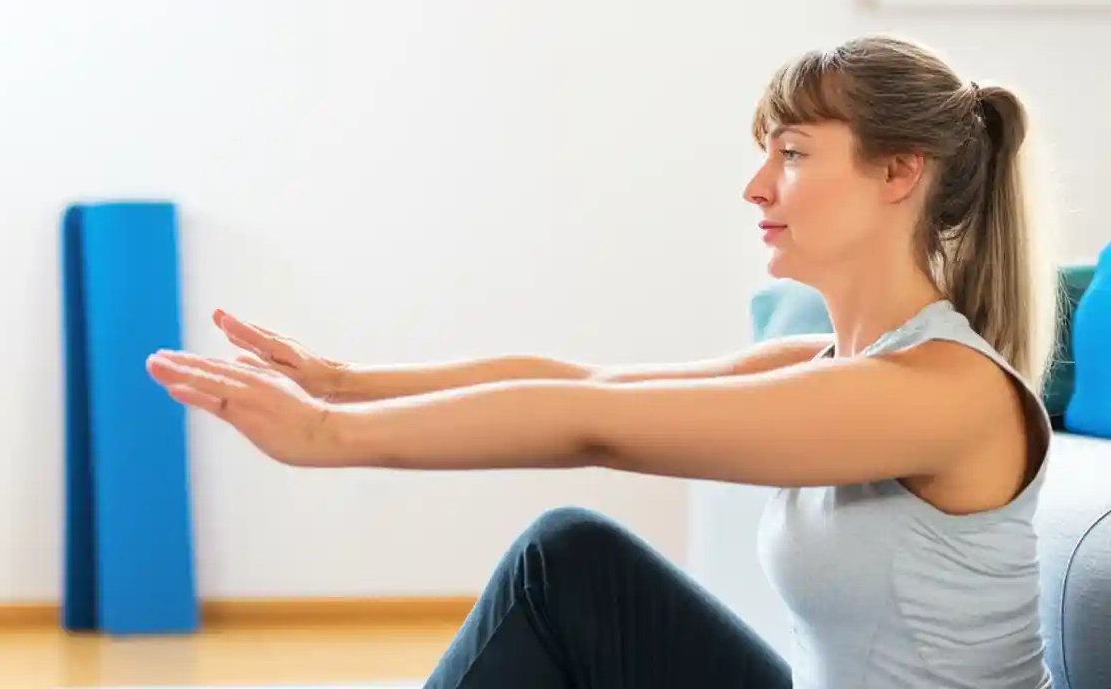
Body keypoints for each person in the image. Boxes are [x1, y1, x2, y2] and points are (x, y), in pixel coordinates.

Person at [146, 34, 1058, 688]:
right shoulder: (829, 363)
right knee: (570, 566)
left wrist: (331, 436)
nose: (755, 185)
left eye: (791, 152)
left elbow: (597, 428)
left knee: (566, 557)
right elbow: (592, 383)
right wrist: (344, 386)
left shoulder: (944, 392)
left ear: (899, 173)